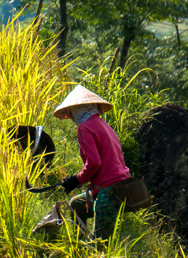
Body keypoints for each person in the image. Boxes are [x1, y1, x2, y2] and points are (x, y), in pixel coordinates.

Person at [53, 85, 132, 239]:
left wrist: (77, 179)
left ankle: (90, 251)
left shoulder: (85, 127)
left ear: (76, 110)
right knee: (76, 204)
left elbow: (94, 162)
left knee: (101, 244)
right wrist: (78, 179)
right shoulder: (102, 124)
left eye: (71, 112)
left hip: (108, 191)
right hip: (119, 186)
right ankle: (79, 246)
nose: (70, 116)